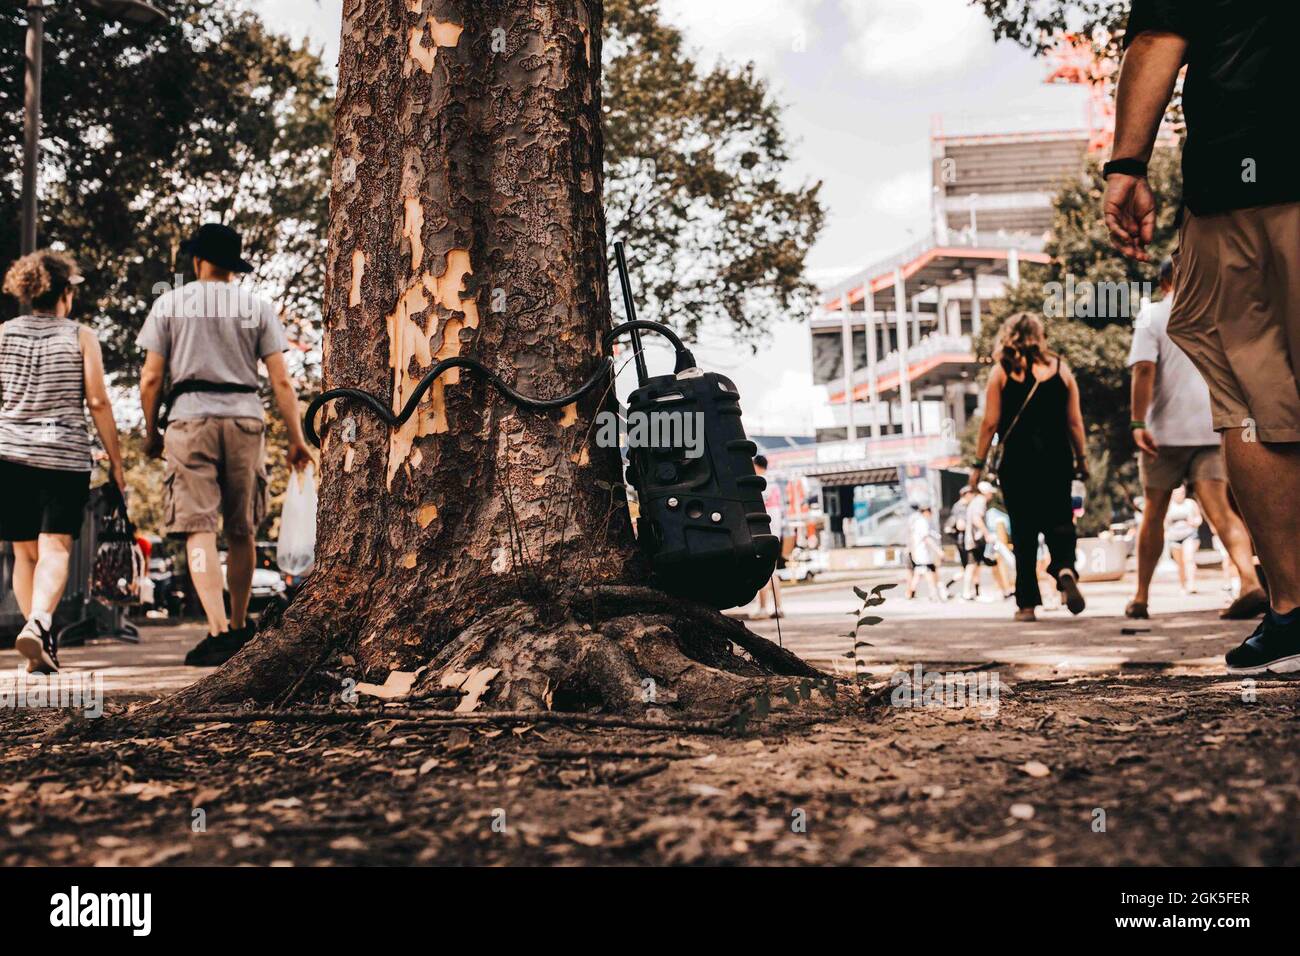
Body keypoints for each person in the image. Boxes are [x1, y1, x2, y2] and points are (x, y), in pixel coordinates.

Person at [1107, 1, 1300, 674]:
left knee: (1252, 394)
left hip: (1246, 162)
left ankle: (1291, 609)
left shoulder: (1148, 318)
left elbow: (1161, 33)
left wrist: (1126, 165)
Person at [138, 223, 313, 667]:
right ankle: (238, 626)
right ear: (234, 265)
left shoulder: (170, 303)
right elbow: (280, 381)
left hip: (187, 419)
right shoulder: (256, 306)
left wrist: (151, 431)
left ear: (197, 260)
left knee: (198, 527)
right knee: (242, 529)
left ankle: (214, 630)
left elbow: (152, 378)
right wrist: (296, 439)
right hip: (245, 417)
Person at [1, 250, 127, 673]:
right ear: (66, 293)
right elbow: (96, 400)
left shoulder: (4, 334)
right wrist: (117, 461)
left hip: (11, 454)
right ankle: (39, 625)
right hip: (63, 456)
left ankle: (38, 639)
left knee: (22, 552)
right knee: (55, 545)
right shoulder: (80, 335)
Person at [1125, 258, 1266, 620]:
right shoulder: (1213, 314)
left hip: (1163, 435)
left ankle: (1140, 597)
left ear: (1163, 282)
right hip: (1210, 426)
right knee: (1219, 509)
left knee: (1154, 512)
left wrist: (1137, 422)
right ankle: (1250, 583)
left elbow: (1143, 369)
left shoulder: (1152, 314)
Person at [969, 313, 1087, 622]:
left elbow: (990, 423)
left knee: (1023, 531)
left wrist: (978, 465)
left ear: (1008, 336)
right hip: (1057, 459)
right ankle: (1063, 567)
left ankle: (1026, 604)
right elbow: (1075, 422)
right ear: (1039, 334)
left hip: (1018, 463)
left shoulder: (1002, 371)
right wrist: (1082, 459)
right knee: (1060, 521)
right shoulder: (1060, 369)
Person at [752, 454, 784, 619]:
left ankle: (763, 608)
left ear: (756, 465)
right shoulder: (774, 483)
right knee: (773, 571)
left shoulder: (759, 483)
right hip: (775, 532)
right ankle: (778, 607)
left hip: (764, 532)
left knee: (761, 570)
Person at [961, 481, 1000, 601]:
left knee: (975, 566)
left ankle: (974, 592)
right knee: (974, 565)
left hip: (973, 539)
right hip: (975, 540)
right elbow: (976, 519)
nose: (991, 495)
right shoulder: (980, 501)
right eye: (990, 493)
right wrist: (987, 534)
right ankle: (967, 592)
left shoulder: (976, 501)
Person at [904, 505, 945, 602]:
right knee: (928, 572)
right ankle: (933, 593)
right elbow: (926, 538)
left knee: (919, 573)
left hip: (920, 552)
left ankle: (911, 594)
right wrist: (938, 551)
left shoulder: (918, 521)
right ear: (926, 512)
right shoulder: (922, 522)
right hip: (922, 552)